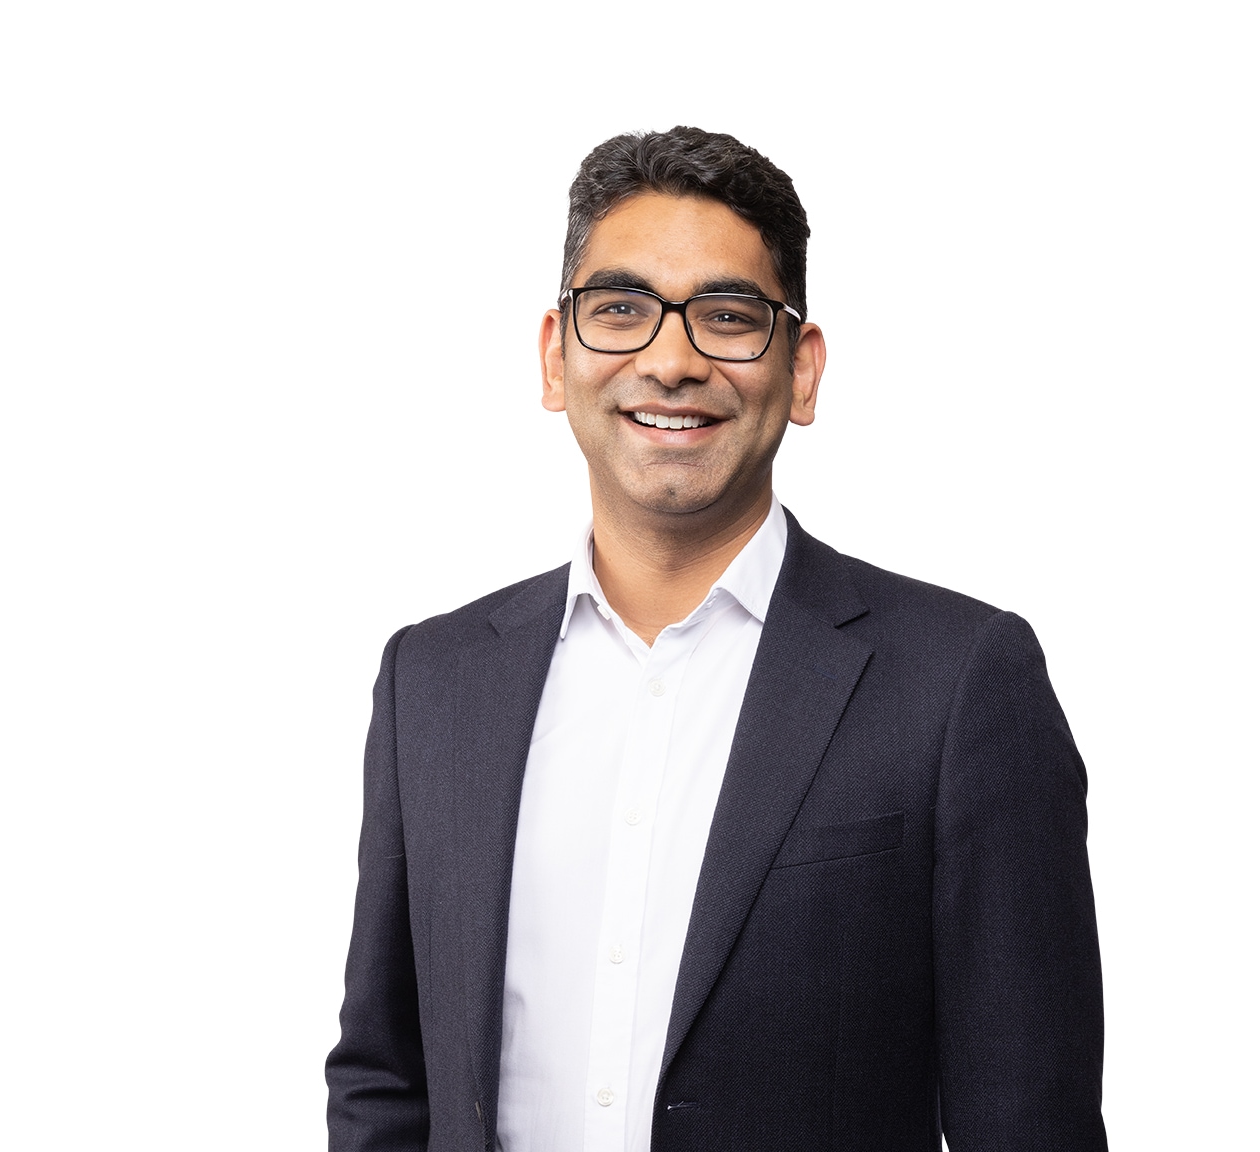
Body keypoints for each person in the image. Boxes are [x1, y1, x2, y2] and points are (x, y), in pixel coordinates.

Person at [327, 126, 1107, 1152]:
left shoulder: (958, 684)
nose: (670, 360)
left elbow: (1031, 1123)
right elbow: (386, 1079)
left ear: (803, 370)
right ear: (556, 357)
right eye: (621, 309)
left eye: (728, 317)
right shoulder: (432, 682)